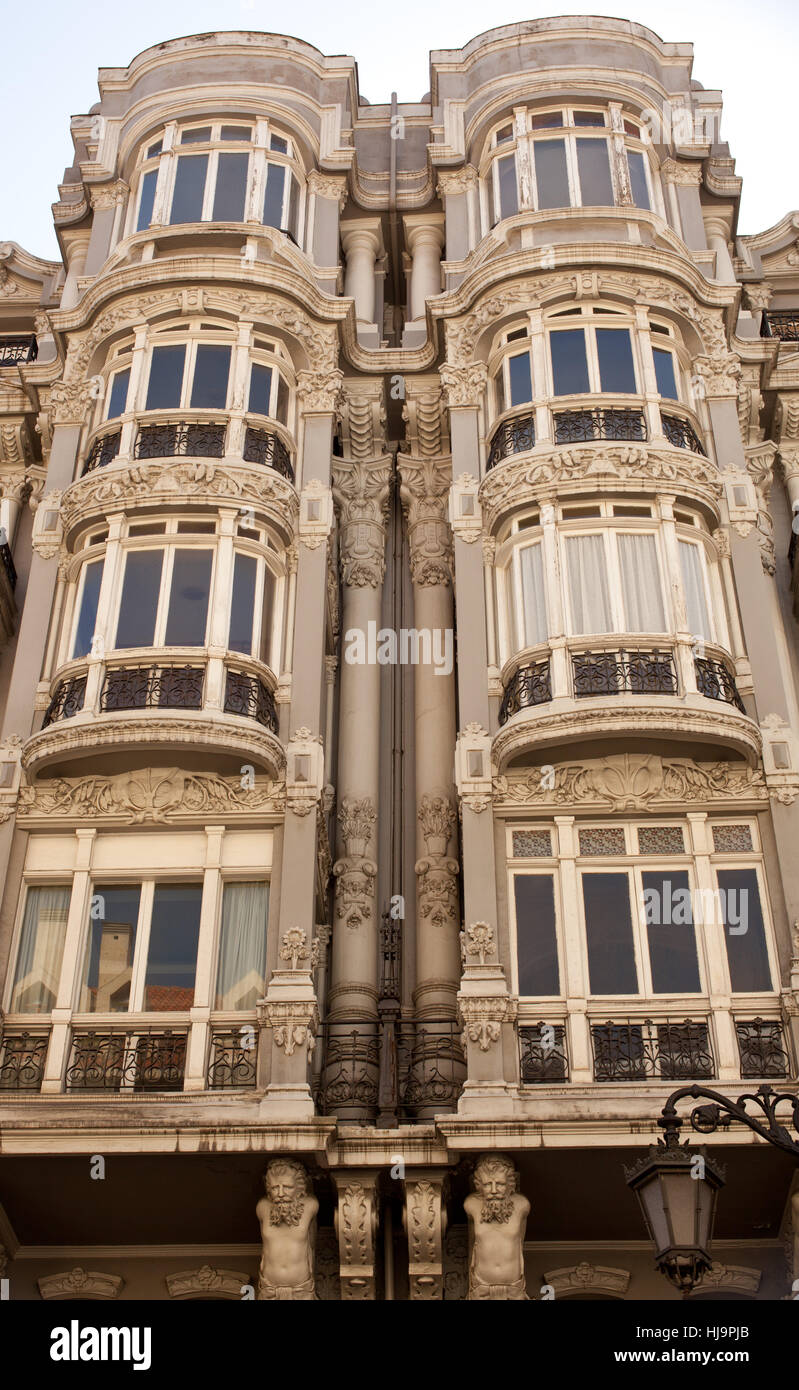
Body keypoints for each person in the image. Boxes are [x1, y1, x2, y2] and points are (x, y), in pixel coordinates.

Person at [464, 1153, 530, 1300]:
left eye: (500, 1184)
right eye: (488, 1184)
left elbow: (520, 1242)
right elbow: (472, 1245)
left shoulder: (522, 1205)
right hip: (480, 1288)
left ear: (510, 1184)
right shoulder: (471, 1205)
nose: (494, 1190)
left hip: (514, 1288)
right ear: (479, 1185)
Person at [255, 1158, 318, 1300]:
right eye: (275, 1188)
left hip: (301, 1290)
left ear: (299, 1187)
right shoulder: (262, 1207)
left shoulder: (310, 1205)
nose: (281, 1193)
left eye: (287, 1187)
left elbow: (313, 1245)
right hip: (268, 1289)